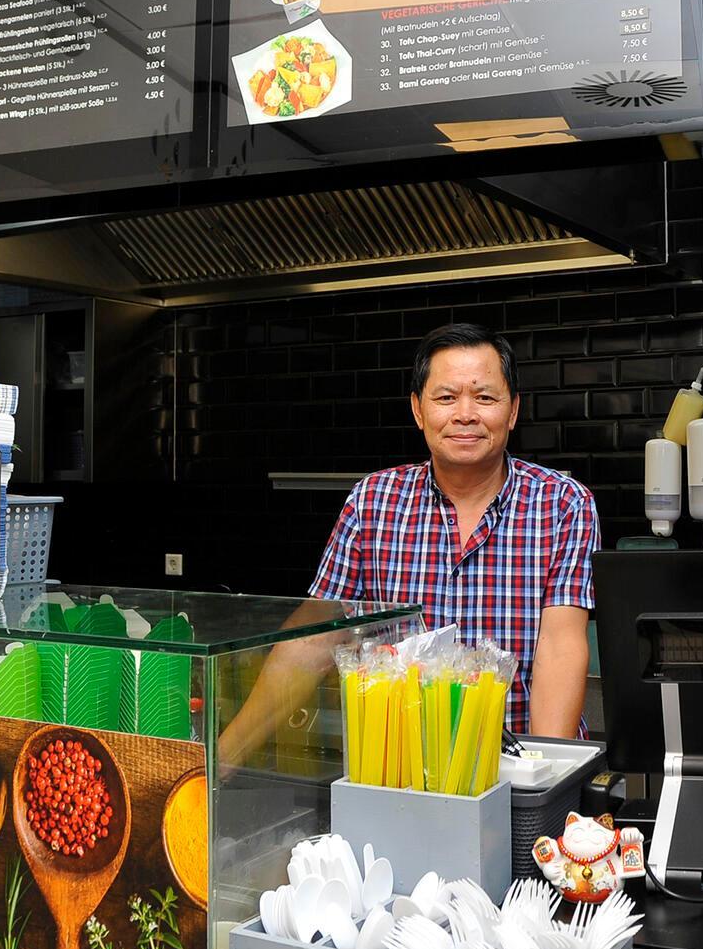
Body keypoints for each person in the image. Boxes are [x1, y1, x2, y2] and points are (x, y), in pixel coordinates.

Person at [216, 324, 600, 767]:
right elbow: (313, 639)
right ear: (418, 410)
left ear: (513, 410)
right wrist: (221, 761)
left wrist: (543, 776)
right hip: (399, 767)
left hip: (514, 766)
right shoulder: (373, 502)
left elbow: (560, 645)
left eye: (485, 397)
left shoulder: (562, 503)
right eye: (446, 397)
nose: (465, 413)